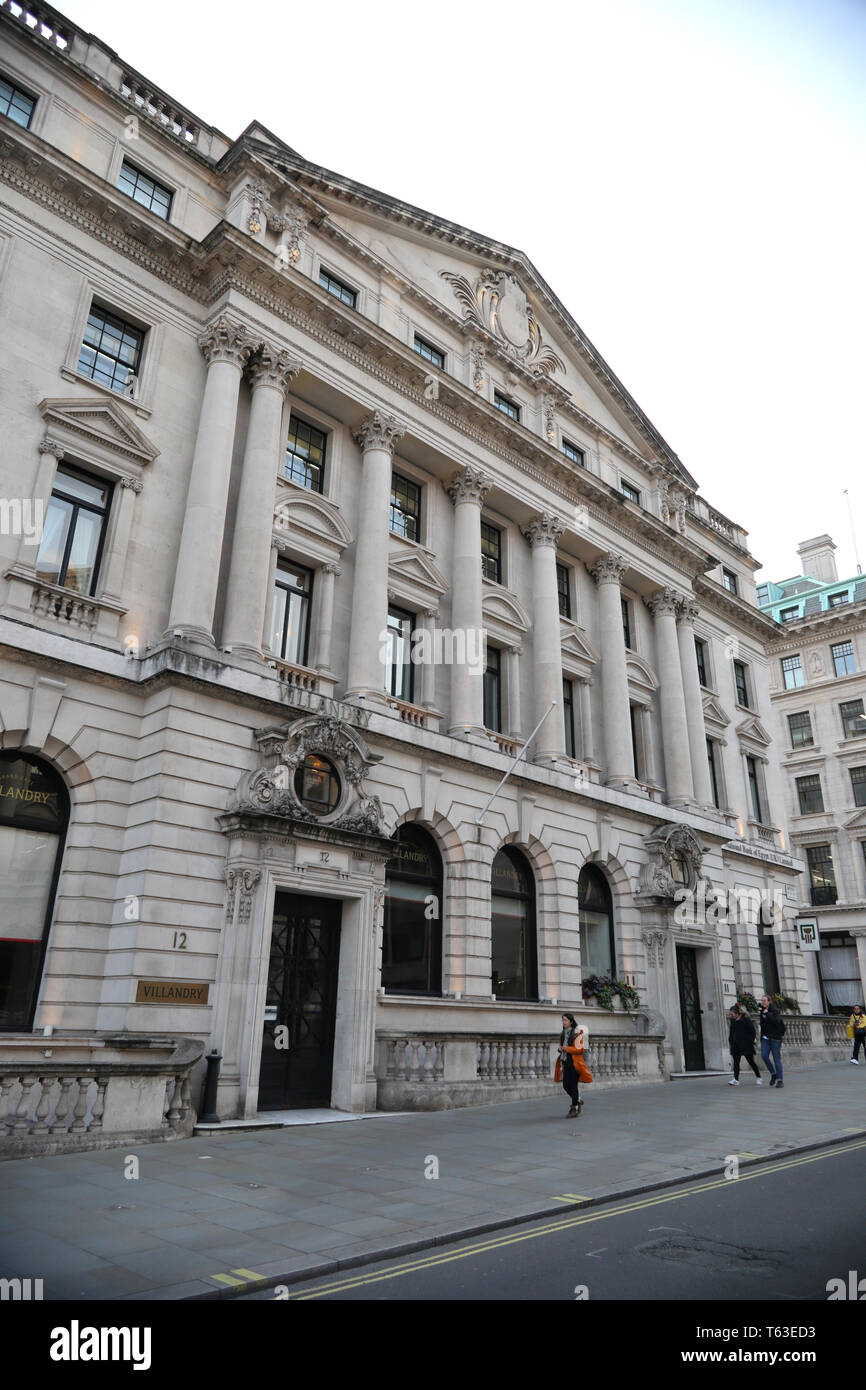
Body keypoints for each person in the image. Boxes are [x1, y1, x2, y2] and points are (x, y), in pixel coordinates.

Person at [558, 1012, 585, 1118]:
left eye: (565, 1020)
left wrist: (566, 1049)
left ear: (571, 1021)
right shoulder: (562, 1033)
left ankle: (574, 1107)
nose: (564, 1022)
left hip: (575, 1063)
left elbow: (580, 1049)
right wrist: (560, 1049)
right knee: (565, 1085)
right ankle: (577, 1099)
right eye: (563, 1020)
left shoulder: (577, 1034)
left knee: (573, 1086)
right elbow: (562, 1045)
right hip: (565, 1062)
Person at [728, 1004, 761, 1085]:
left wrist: (749, 1041)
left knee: (751, 1061)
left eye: (732, 1014)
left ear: (737, 1013)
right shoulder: (732, 1021)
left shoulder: (746, 1020)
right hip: (735, 1045)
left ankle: (758, 1077)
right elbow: (731, 1032)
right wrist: (731, 1041)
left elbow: (752, 1032)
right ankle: (736, 1079)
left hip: (746, 1045)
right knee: (736, 1062)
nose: (731, 1016)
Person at [759, 994, 785, 1088]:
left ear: (769, 1001)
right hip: (766, 1038)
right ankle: (773, 1074)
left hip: (775, 1039)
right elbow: (762, 1025)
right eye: (762, 1001)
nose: (763, 1002)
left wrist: (768, 1014)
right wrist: (761, 1037)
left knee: (776, 1059)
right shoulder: (762, 1012)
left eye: (764, 1000)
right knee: (764, 1056)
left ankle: (780, 1080)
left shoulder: (775, 1011)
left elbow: (777, 1022)